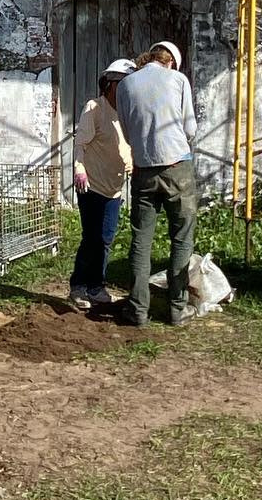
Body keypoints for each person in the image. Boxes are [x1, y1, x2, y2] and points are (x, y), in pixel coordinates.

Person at [111, 40, 198, 327]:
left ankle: (137, 310)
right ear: (171, 61)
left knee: (141, 240)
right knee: (182, 238)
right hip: (177, 168)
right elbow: (190, 128)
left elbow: (125, 128)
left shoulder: (125, 85)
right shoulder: (177, 79)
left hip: (143, 171)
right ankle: (177, 309)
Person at [69, 57, 136, 312]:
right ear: (110, 84)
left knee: (106, 238)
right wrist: (79, 168)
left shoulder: (128, 113)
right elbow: (80, 143)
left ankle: (97, 286)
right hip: (92, 184)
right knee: (92, 237)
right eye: (122, 84)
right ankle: (78, 286)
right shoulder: (94, 108)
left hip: (114, 187)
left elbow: (127, 145)